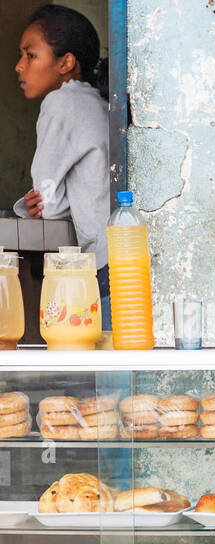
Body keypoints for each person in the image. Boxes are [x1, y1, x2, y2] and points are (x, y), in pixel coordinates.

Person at [13, 4, 110, 321]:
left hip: (102, 260)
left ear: (66, 63)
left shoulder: (61, 101)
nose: (19, 66)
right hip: (119, 252)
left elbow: (49, 205)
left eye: (31, 55)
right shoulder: (92, 100)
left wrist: (32, 205)